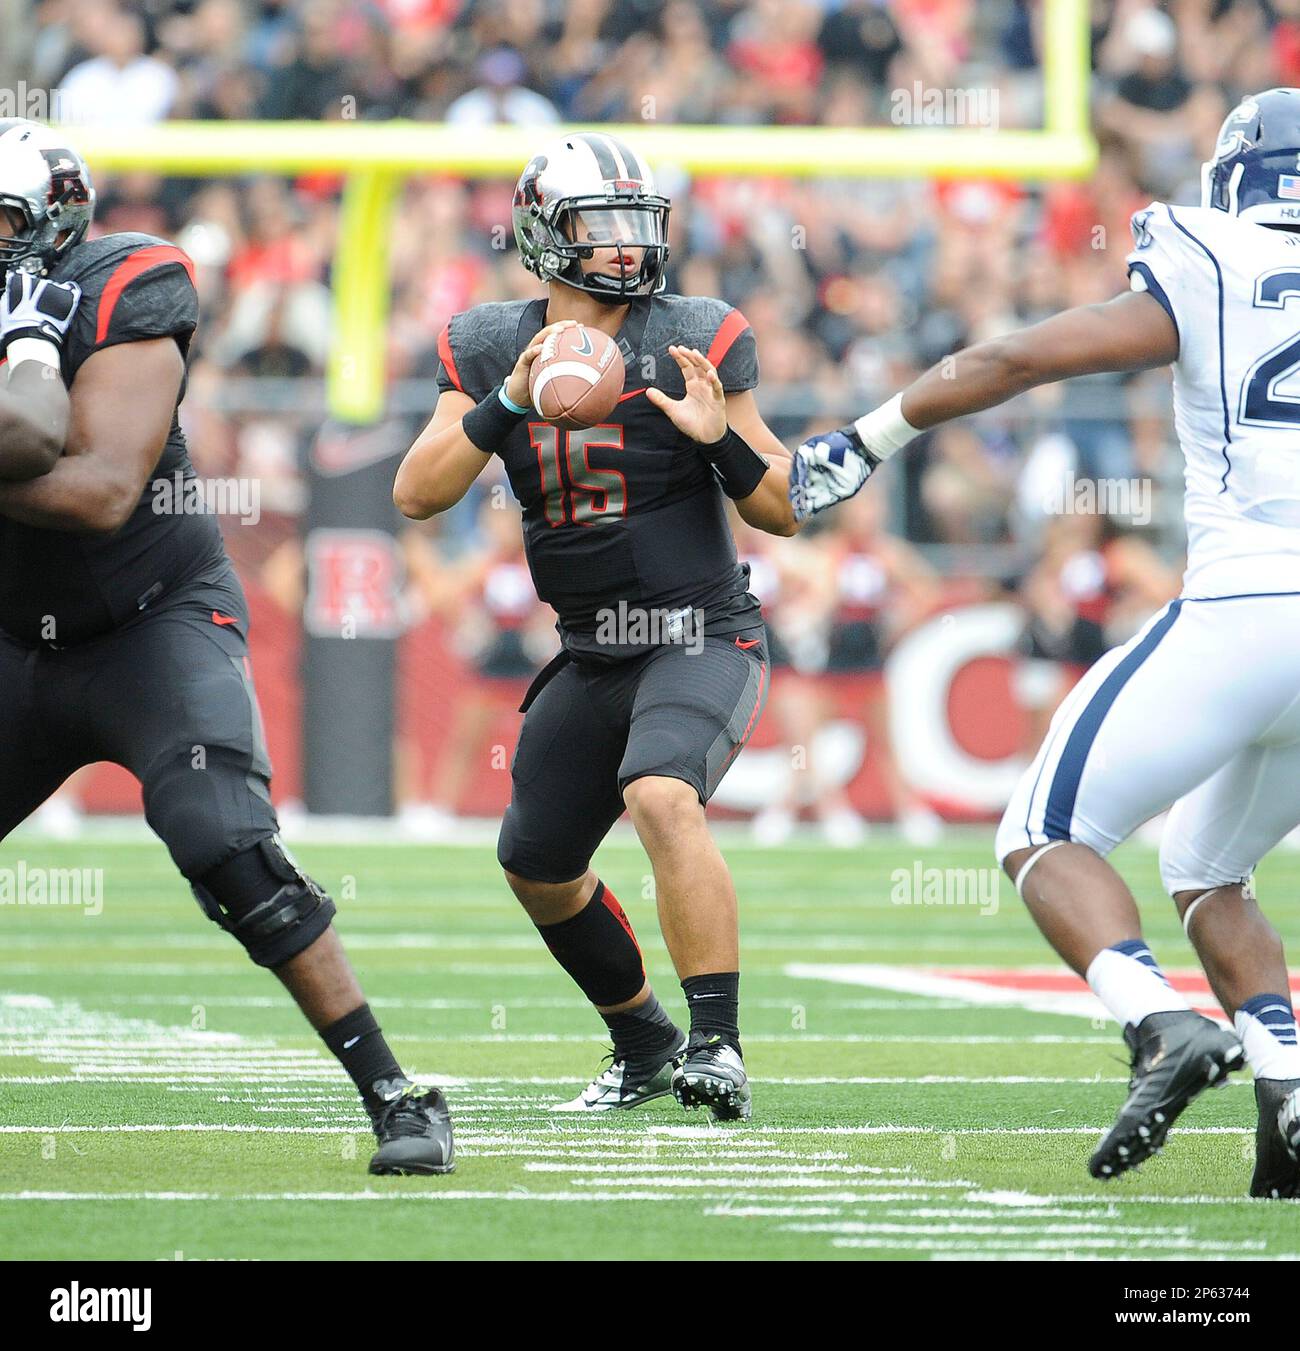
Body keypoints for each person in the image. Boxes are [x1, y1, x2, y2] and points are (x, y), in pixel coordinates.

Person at [792, 88, 1300, 1197]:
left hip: (1251, 602)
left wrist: (869, 436)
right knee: (1207, 869)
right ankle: (1286, 1083)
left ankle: (1160, 1024)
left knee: (1041, 830)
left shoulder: (1207, 251)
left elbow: (1020, 358)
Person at [0, 119, 451, 1176]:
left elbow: (102, 489)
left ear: (57, 220)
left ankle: (394, 1089)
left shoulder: (126, 279)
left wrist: (23, 361)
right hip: (15, 636)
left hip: (151, 621)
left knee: (222, 839)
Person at [395, 132, 801, 1120]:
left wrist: (721, 446)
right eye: (600, 228)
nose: (625, 249)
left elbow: (783, 505)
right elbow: (416, 491)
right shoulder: (491, 343)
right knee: (535, 864)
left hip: (700, 632)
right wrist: (503, 400)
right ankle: (643, 1039)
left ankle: (719, 1045)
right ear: (541, 236)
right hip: (589, 651)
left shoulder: (695, 331)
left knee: (662, 793)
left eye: (637, 226)